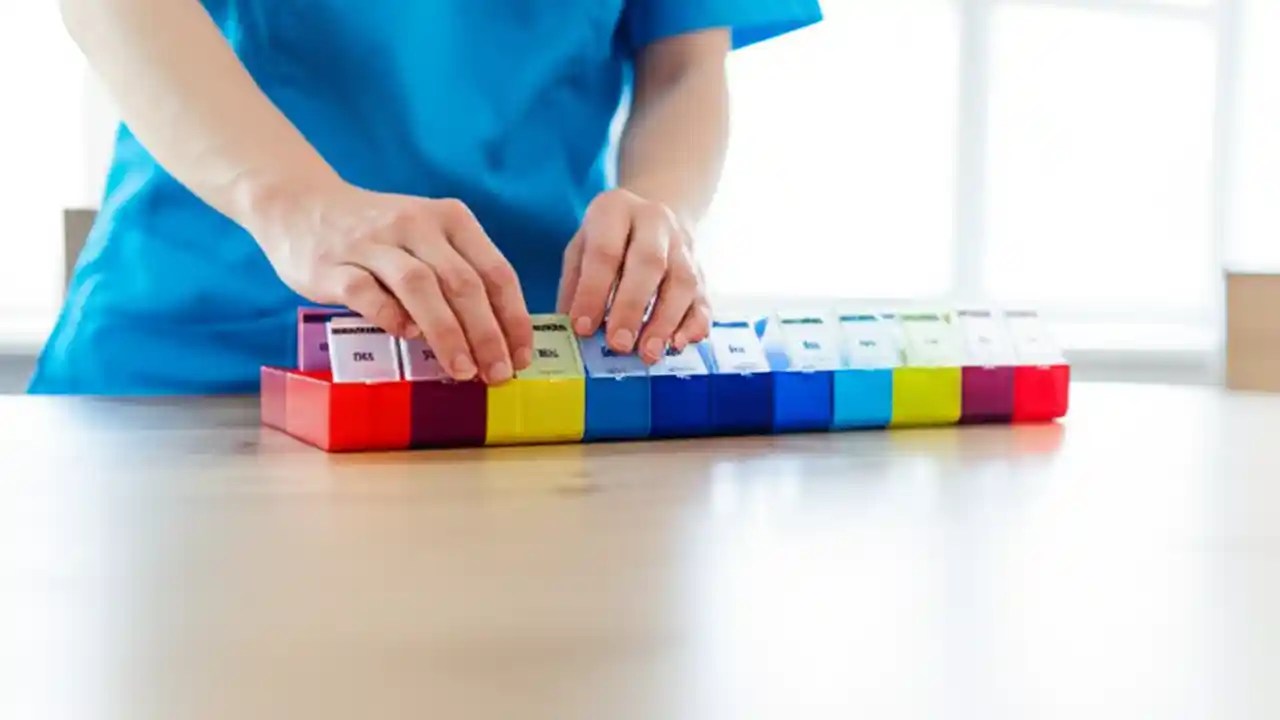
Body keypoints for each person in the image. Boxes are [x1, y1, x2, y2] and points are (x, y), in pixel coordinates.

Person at [29, 0, 822, 395]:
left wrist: (660, 212)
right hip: (192, 361)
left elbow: (684, 64)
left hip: (517, 374)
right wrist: (293, 200)